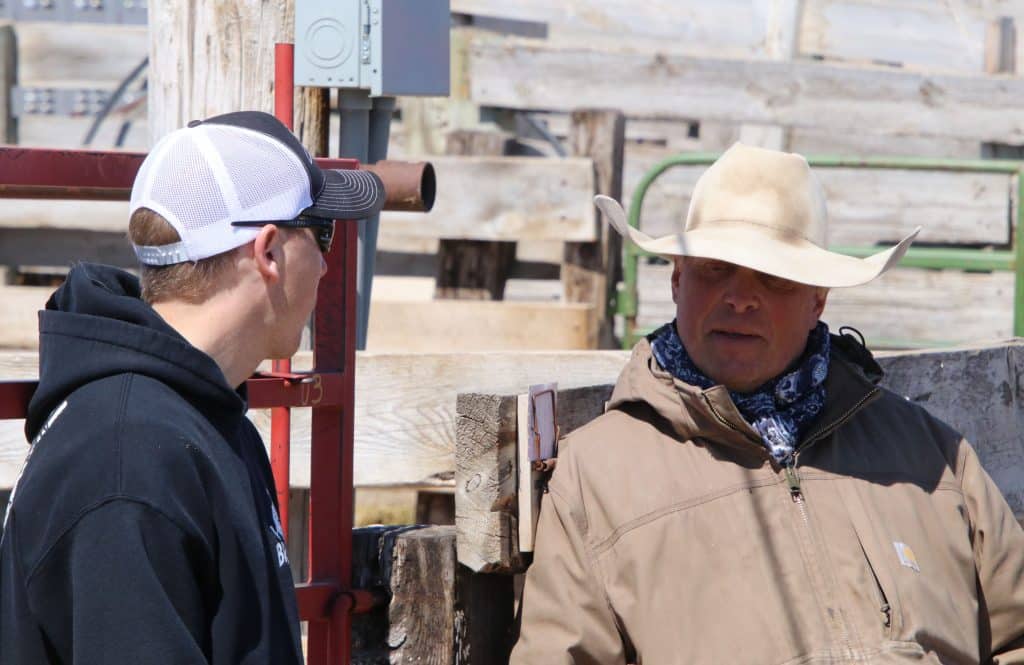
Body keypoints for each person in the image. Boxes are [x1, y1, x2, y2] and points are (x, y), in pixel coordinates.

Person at [511, 143, 1024, 664]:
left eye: (773, 277)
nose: (740, 298)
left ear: (817, 299)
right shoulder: (598, 474)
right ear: (677, 280)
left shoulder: (933, 455)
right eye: (716, 269)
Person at [0, 111, 384, 664]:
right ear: (268, 250)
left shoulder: (196, 416)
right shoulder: (130, 459)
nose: (326, 263)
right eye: (321, 232)